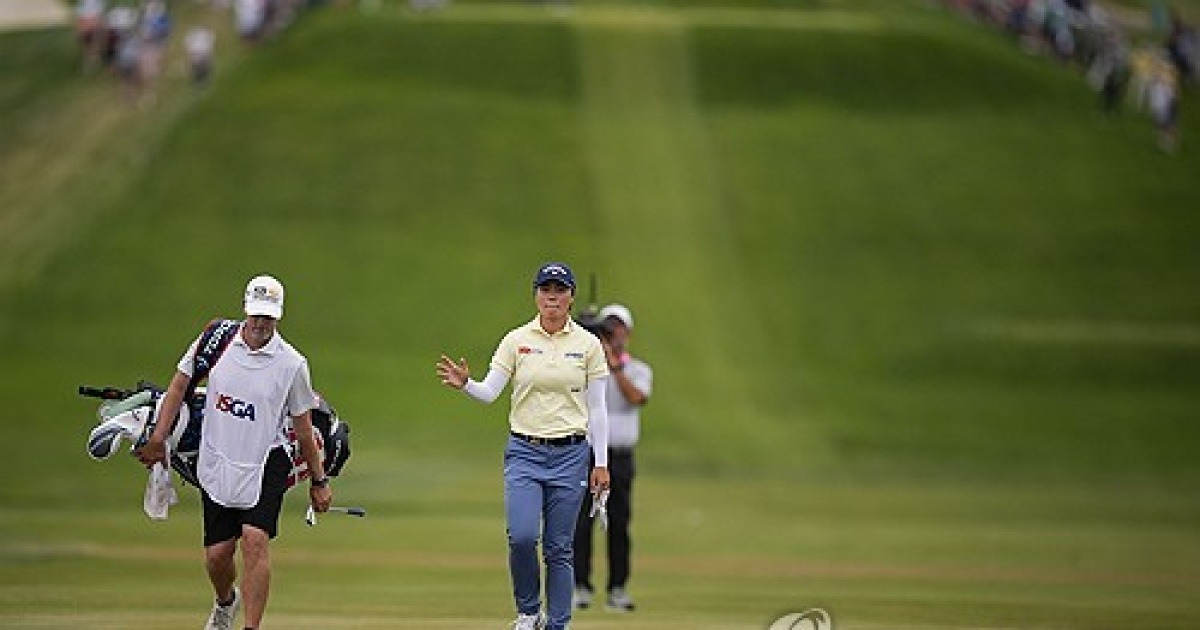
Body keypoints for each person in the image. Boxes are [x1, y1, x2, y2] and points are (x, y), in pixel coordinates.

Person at [136, 274, 332, 630]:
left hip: (267, 458)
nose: (260, 324)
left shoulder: (292, 364)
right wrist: (158, 438)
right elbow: (179, 385)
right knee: (217, 556)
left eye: (268, 317)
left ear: (278, 316)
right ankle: (226, 601)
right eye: (256, 315)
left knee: (255, 540)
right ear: (245, 310)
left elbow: (303, 426)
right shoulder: (215, 339)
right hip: (219, 455)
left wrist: (319, 480)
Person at [436, 262, 611, 630]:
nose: (552, 295)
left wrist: (601, 462)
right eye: (546, 288)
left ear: (571, 297)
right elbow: (489, 392)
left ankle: (557, 623)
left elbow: (598, 407)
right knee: (522, 536)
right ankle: (528, 612)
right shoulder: (517, 340)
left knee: (559, 547)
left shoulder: (588, 345)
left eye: (560, 289)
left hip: (572, 453)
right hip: (525, 452)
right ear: (535, 294)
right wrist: (467, 384)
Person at [572, 304, 652, 613]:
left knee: (619, 524)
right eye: (608, 329)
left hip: (621, 458)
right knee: (582, 524)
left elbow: (636, 398)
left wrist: (615, 366)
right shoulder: (589, 369)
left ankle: (617, 588)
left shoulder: (639, 370)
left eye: (618, 329)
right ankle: (581, 586)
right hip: (586, 454)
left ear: (627, 333)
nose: (614, 335)